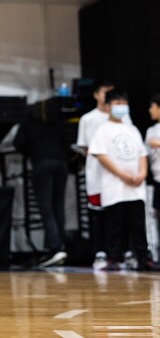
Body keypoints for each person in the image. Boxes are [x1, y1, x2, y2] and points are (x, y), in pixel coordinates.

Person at [89, 89, 156, 271]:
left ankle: (143, 257)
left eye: (124, 104)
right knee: (114, 224)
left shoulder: (131, 129)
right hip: (115, 185)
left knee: (138, 224)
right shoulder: (102, 130)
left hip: (136, 186)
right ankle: (113, 257)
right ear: (108, 107)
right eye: (118, 104)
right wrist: (122, 174)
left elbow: (142, 153)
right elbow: (100, 155)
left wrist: (142, 173)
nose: (122, 107)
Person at [76, 79, 133, 270]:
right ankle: (100, 252)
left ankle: (121, 252)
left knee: (121, 214)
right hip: (98, 174)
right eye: (105, 93)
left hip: (121, 174)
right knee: (99, 214)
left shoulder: (124, 119)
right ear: (96, 95)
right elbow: (86, 148)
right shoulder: (88, 119)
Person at [13, 110, 69, 267]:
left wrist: (30, 151)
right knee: (58, 205)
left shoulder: (26, 125)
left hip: (42, 163)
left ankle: (55, 247)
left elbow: (18, 143)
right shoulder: (52, 125)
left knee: (46, 207)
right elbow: (66, 144)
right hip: (62, 163)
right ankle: (60, 246)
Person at [145, 94, 160, 258]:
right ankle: (154, 254)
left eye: (153, 107)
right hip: (156, 179)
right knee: (154, 217)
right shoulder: (151, 131)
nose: (150, 110)